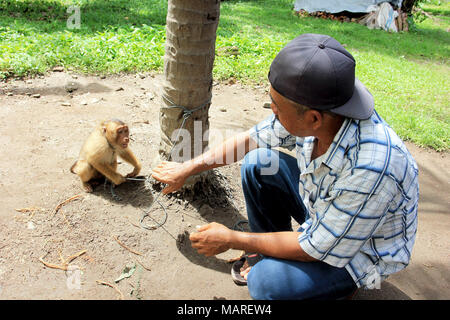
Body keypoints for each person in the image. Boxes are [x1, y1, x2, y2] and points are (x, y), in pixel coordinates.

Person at [152, 33, 419, 300]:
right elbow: (250, 141)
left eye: (277, 108)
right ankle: (268, 253)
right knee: (259, 164)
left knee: (267, 284)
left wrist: (233, 239)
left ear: (314, 118)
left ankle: (338, 288)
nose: (272, 113)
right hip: (324, 213)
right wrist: (187, 169)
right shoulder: (326, 108)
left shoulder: (372, 166)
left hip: (358, 251)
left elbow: (315, 246)